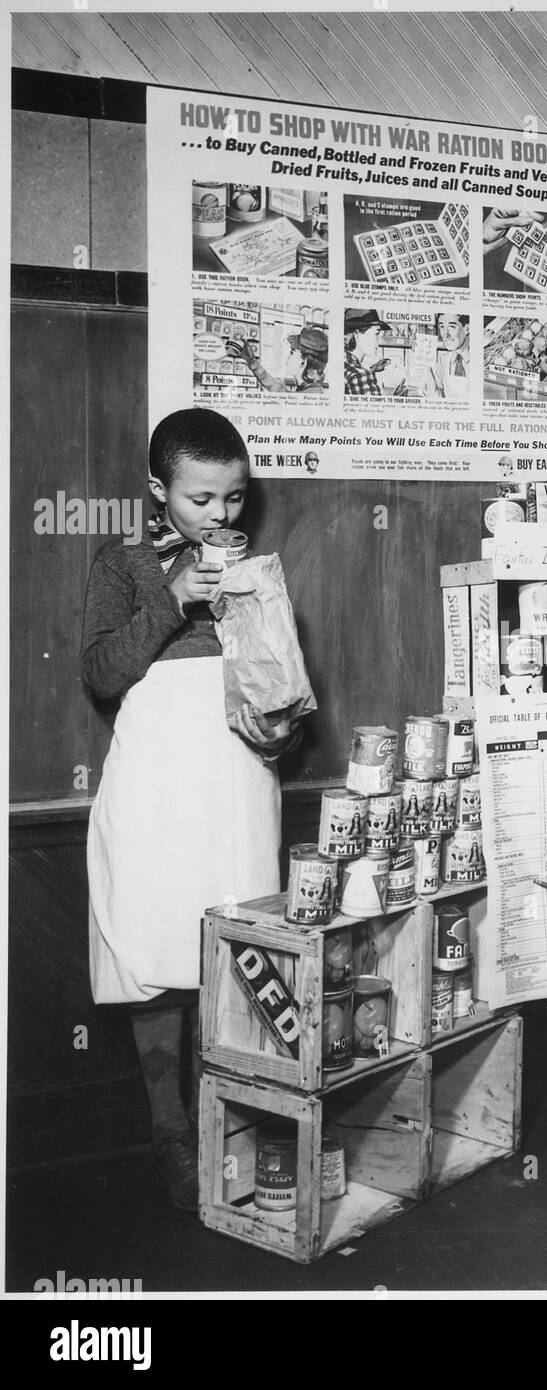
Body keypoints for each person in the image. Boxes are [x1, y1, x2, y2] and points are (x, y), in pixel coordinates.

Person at [81, 408, 301, 1211]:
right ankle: (168, 1130)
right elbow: (103, 673)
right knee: (153, 946)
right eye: (203, 497)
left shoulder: (256, 567)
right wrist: (173, 596)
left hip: (235, 778)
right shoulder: (123, 562)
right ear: (158, 489)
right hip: (154, 780)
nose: (221, 514)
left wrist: (279, 722)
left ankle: (229, 1123)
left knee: (237, 949)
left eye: (234, 498)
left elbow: (276, 686)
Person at [227, 325, 328, 393]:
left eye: (292, 352)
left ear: (303, 362)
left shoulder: (311, 394)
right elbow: (277, 388)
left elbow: (277, 390)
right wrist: (252, 360)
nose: (288, 356)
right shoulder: (310, 390)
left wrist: (252, 361)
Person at [344, 308, 399, 396]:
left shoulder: (344, 362)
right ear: (357, 334)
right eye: (376, 334)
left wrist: (371, 370)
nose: (377, 344)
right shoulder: (361, 374)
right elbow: (378, 409)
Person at [426, 312, 471, 399]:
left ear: (467, 329)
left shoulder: (482, 359)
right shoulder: (443, 360)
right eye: (442, 327)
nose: (445, 335)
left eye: (452, 327)